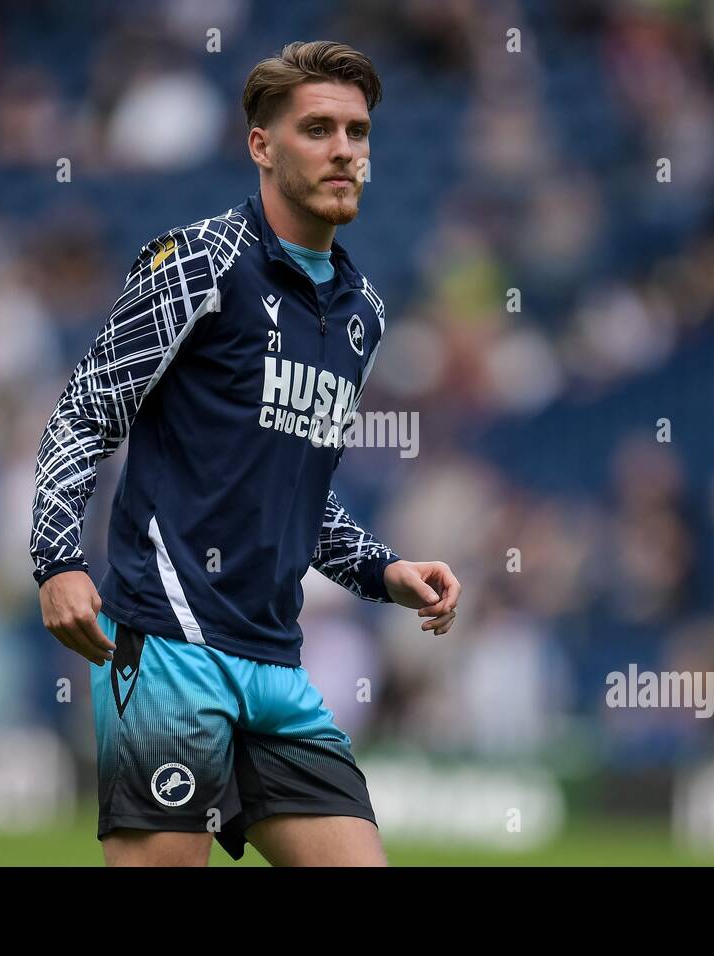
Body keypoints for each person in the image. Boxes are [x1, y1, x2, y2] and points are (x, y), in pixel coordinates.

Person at [29, 40, 462, 866]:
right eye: (318, 129)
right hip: (166, 645)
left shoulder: (364, 313)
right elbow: (87, 409)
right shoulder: (199, 262)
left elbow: (297, 490)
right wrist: (56, 560)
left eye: (358, 132)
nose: (344, 150)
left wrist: (384, 571)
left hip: (276, 667)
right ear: (262, 145)